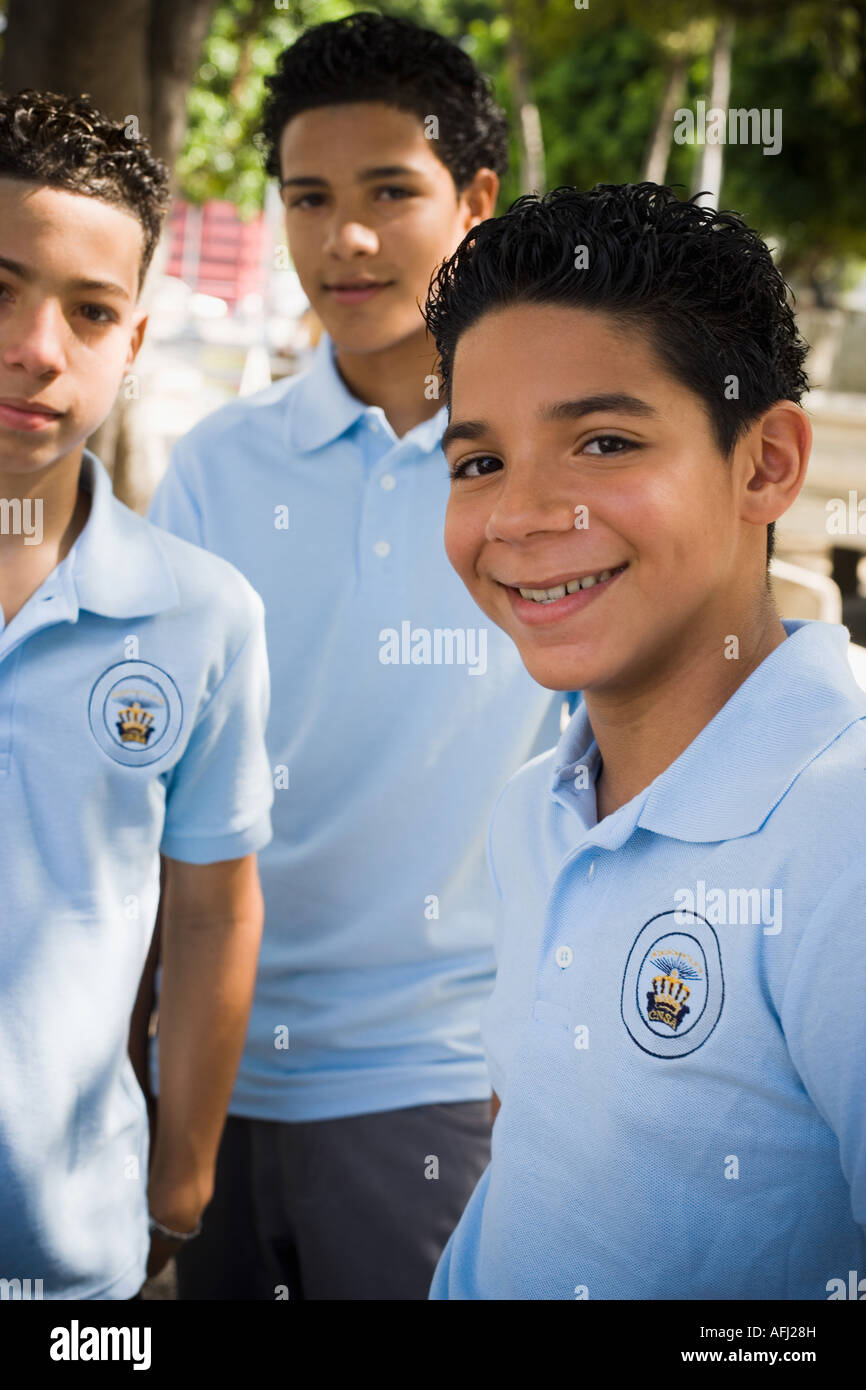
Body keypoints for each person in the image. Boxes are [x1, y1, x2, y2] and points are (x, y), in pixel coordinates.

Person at [149, 13, 562, 1300]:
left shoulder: (552, 480)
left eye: (391, 191)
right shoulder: (219, 467)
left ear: (475, 201)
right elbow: (155, 774)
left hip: (433, 1084)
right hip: (205, 1072)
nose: (349, 239)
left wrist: (531, 1069)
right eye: (309, 198)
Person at [423, 181, 866, 1298]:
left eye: (604, 441)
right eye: (477, 462)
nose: (522, 515)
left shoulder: (843, 840)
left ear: (764, 463)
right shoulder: (539, 806)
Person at [0, 91, 273, 1299]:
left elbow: (211, 915)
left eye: (89, 311)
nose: (39, 347)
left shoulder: (201, 617)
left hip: (74, 1263)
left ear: (134, 339)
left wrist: (179, 1183)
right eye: (0, 288)